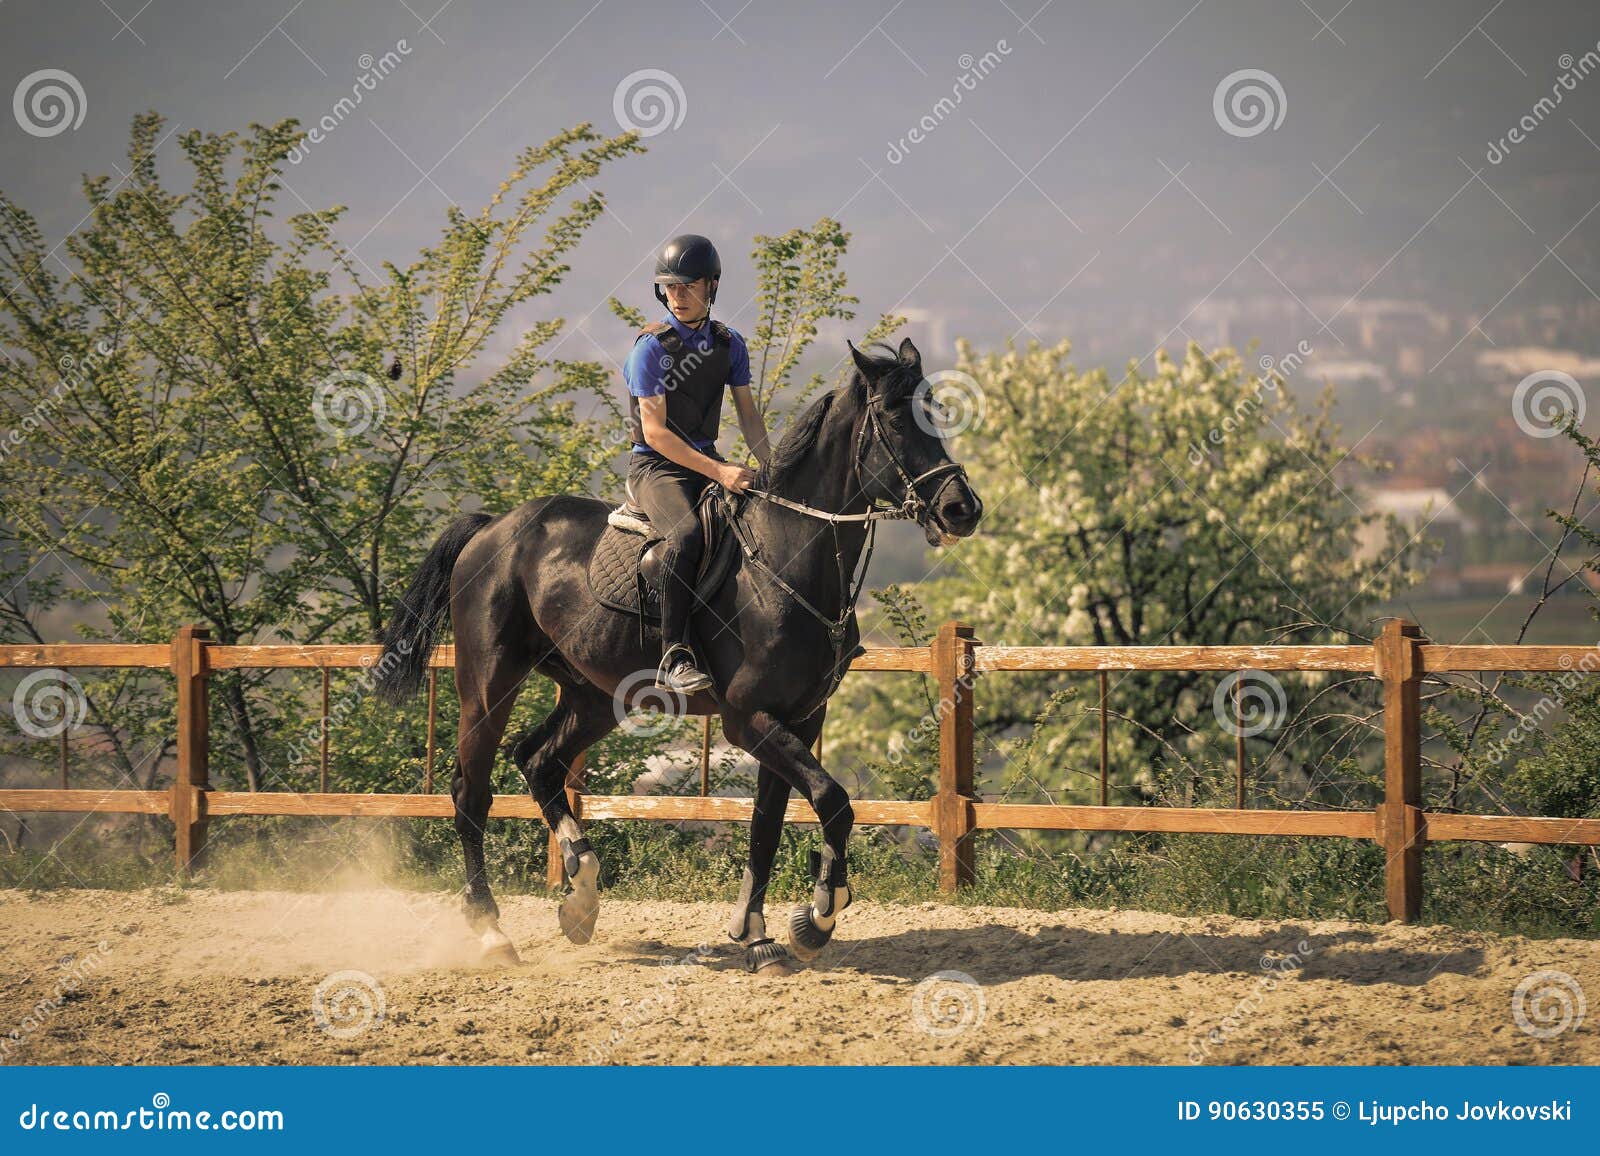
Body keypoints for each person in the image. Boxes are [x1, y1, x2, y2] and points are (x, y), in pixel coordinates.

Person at [624, 234, 771, 693]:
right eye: (670, 287)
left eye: (688, 286)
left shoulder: (730, 345)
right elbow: (656, 434)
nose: (678, 296)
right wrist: (722, 471)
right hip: (657, 468)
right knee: (686, 535)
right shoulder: (651, 349)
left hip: (705, 461)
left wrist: (774, 467)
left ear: (712, 285)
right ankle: (673, 655)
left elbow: (748, 415)